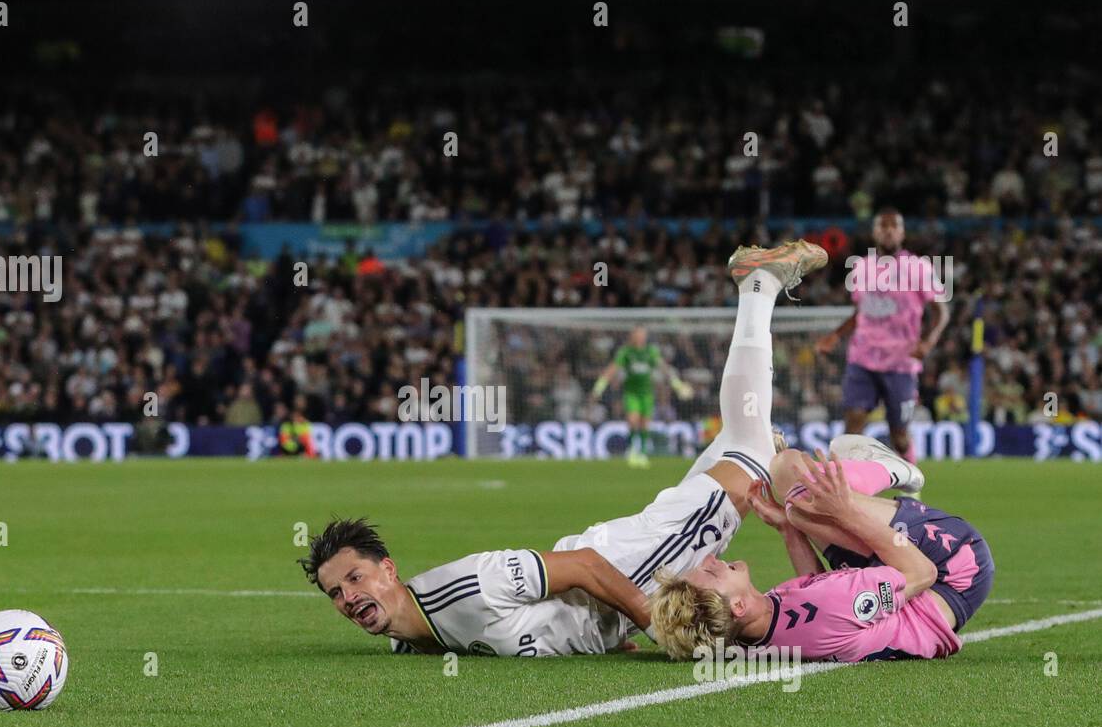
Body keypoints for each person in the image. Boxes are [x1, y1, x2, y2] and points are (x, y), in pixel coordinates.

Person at [297, 240, 830, 657]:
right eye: (336, 594)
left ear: (389, 570)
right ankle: (737, 439)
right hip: (623, 577)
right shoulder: (411, 632)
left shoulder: (469, 585)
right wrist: (598, 634)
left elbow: (584, 566)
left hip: (631, 563)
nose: (348, 598)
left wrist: (650, 622)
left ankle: (757, 284)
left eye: (354, 578)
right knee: (743, 447)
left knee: (754, 450)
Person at [649, 439, 994, 662]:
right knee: (800, 490)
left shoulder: (748, 635)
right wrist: (848, 512)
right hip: (953, 569)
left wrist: (789, 529)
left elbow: (815, 587)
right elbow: (920, 574)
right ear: (737, 606)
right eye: (710, 571)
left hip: (899, 582)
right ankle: (888, 469)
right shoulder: (832, 606)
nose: (711, 559)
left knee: (791, 489)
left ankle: (842, 487)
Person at [815, 209, 950, 462]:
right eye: (882, 225)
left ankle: (912, 490)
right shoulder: (861, 267)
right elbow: (862, 312)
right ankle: (845, 490)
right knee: (853, 424)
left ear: (902, 232)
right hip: (862, 357)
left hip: (900, 362)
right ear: (874, 231)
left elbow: (942, 310)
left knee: (899, 434)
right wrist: (835, 335)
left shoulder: (918, 267)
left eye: (894, 225)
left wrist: (929, 341)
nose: (888, 230)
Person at [592, 326, 691, 468]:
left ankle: (643, 453)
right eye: (637, 334)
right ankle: (632, 451)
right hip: (631, 393)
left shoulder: (650, 351)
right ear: (632, 336)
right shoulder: (626, 352)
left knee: (644, 423)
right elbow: (612, 368)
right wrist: (599, 386)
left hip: (647, 393)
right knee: (633, 421)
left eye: (642, 334)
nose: (640, 337)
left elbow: (663, 367)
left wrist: (677, 384)